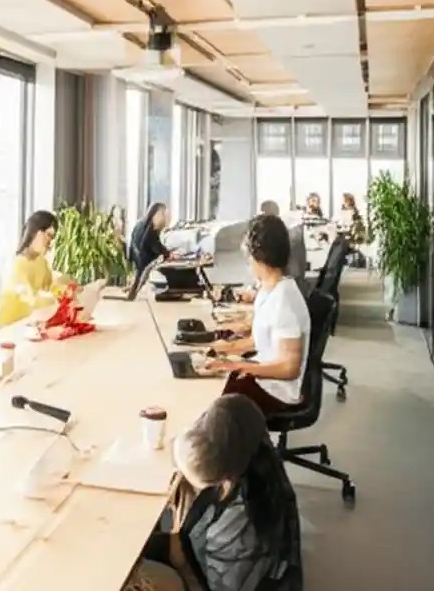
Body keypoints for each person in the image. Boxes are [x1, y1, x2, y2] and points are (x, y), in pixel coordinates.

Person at [124, 394, 301, 591]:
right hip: (234, 567)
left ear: (221, 478)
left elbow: (188, 566)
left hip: (214, 581)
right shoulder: (253, 449)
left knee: (129, 562)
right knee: (135, 545)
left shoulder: (235, 527)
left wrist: (178, 527)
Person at [208, 214, 310, 414]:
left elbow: (289, 368)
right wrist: (222, 349)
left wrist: (239, 366)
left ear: (257, 254)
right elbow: (258, 340)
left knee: (218, 405)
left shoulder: (284, 301)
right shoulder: (269, 288)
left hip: (279, 392)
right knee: (218, 387)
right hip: (265, 377)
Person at [0, 210, 61, 328]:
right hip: (9, 326)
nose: (51, 242)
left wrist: (71, 291)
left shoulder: (41, 262)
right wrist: (57, 301)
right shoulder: (16, 264)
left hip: (30, 323)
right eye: (49, 235)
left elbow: (53, 286)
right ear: (36, 232)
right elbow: (31, 300)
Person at [129, 202, 172, 275]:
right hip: (145, 266)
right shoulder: (150, 228)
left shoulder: (142, 224)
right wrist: (168, 254)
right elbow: (154, 244)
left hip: (138, 265)